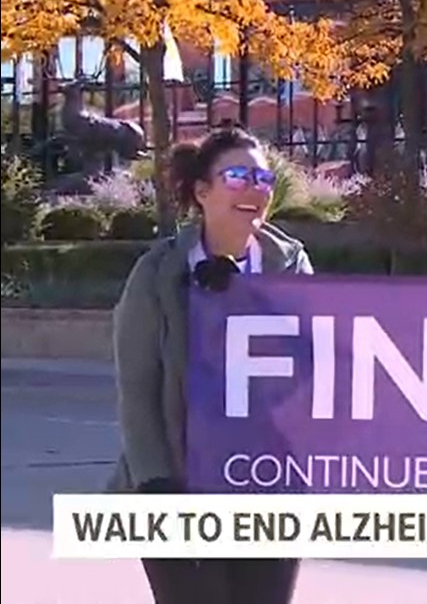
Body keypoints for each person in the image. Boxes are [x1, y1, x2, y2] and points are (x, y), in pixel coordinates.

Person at [106, 124, 313, 604]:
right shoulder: (157, 273)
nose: (254, 190)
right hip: (176, 488)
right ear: (202, 191)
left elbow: (314, 373)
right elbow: (137, 389)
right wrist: (156, 483)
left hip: (267, 492)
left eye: (263, 179)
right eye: (237, 177)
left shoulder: (291, 266)